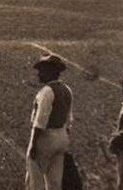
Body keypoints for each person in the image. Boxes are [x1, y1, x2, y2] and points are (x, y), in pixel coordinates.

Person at [26, 54, 74, 190]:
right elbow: (69, 119)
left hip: (45, 138)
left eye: (42, 70)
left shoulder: (46, 92)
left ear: (51, 72)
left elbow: (40, 121)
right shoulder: (67, 90)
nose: (39, 74)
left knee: (35, 180)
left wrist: (33, 144)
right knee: (55, 182)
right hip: (62, 137)